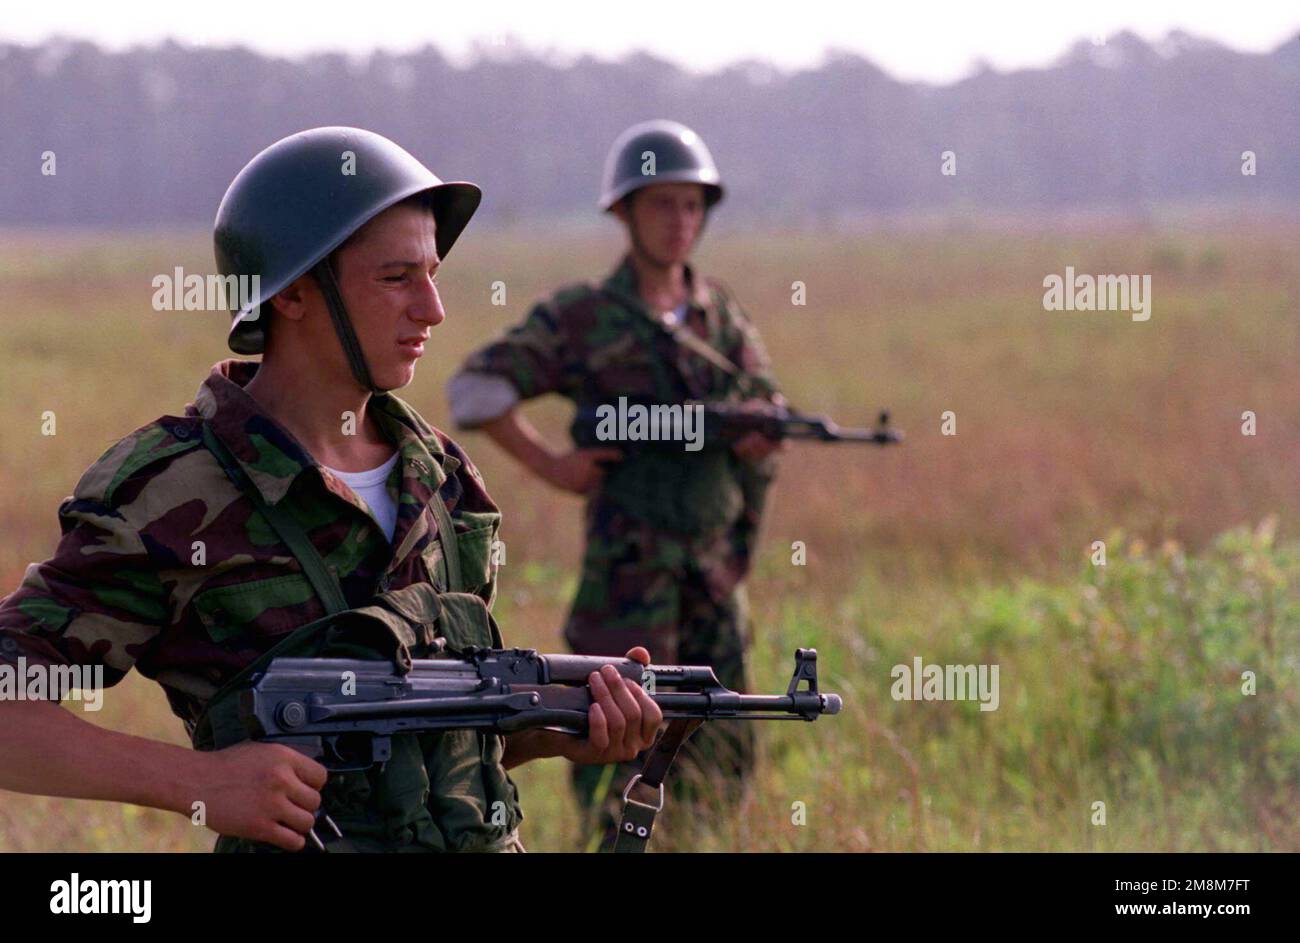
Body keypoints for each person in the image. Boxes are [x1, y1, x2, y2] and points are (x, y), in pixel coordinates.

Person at [0, 126, 661, 853]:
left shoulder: (442, 477)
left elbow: (420, 741)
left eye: (432, 273)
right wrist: (198, 783)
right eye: (396, 277)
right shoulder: (169, 488)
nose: (432, 308)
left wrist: (555, 727)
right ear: (292, 293)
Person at [447, 119, 783, 845]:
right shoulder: (585, 318)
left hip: (712, 581)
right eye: (661, 204)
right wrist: (551, 464)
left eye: (692, 205)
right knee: (611, 747)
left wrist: (756, 450)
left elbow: (767, 433)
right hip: (626, 588)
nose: (679, 221)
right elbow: (475, 388)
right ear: (625, 212)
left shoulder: (725, 321)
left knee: (723, 751)